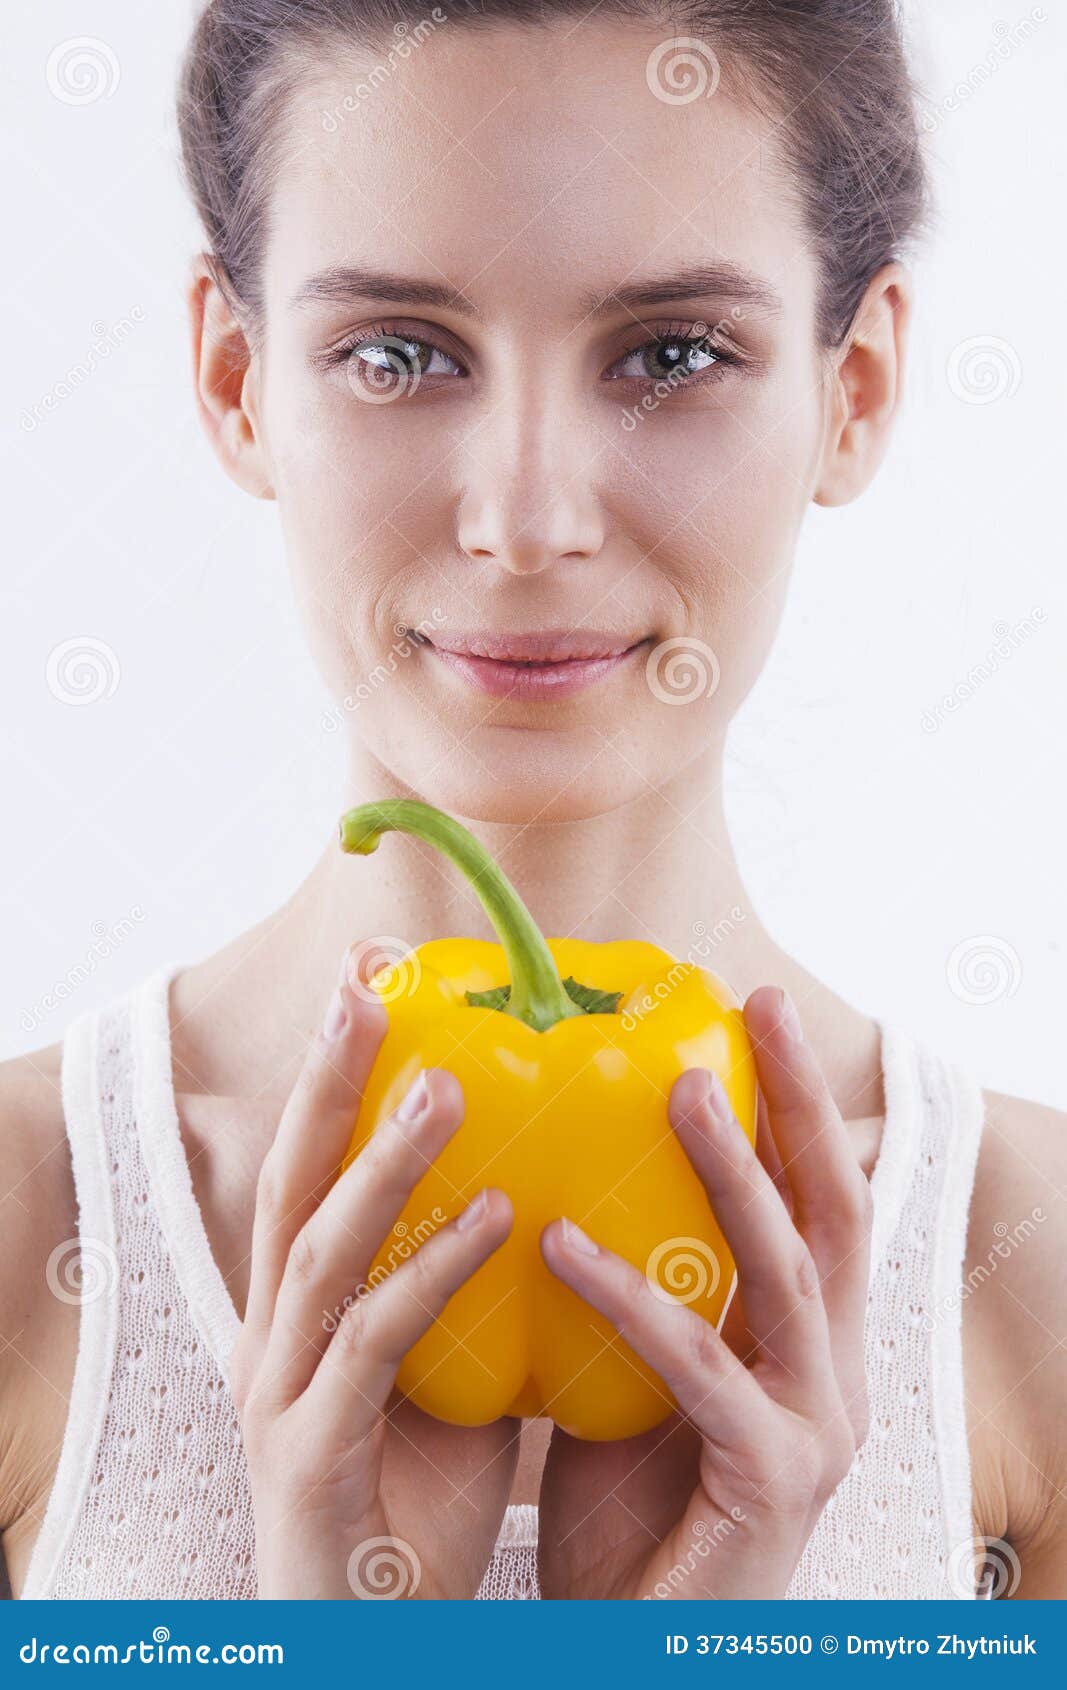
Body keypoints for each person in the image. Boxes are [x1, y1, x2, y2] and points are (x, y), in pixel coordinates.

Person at [2, 0, 1063, 1602]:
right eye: (399, 354)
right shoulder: (30, 1234)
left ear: (857, 389)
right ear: (235, 381)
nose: (525, 513)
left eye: (671, 354)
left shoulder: (1026, 1273)